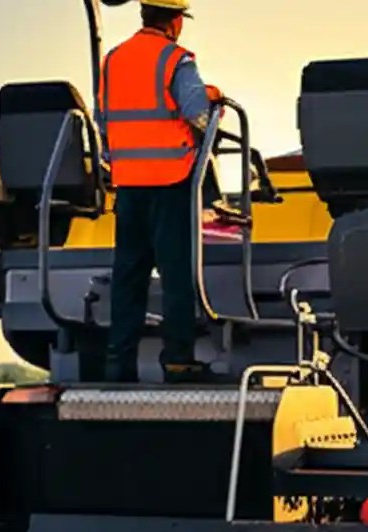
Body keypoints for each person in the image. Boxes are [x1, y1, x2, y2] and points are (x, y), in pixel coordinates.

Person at [94, 0, 225, 384]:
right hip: (171, 179)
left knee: (129, 275)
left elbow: (105, 121)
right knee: (175, 273)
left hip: (129, 183)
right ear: (176, 20)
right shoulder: (176, 59)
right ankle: (179, 361)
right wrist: (213, 96)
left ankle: (118, 363)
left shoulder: (114, 60)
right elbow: (197, 112)